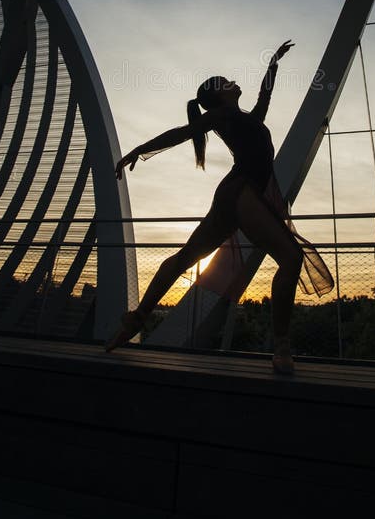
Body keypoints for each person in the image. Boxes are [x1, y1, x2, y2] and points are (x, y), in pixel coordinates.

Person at [105, 40, 334, 374]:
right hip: (240, 193)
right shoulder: (221, 114)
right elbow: (182, 132)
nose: (233, 82)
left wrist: (272, 65)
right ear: (220, 95)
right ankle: (282, 347)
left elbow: (263, 100)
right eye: (227, 82)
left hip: (233, 196)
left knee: (186, 257)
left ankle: (137, 318)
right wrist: (139, 149)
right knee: (291, 256)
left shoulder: (243, 118)